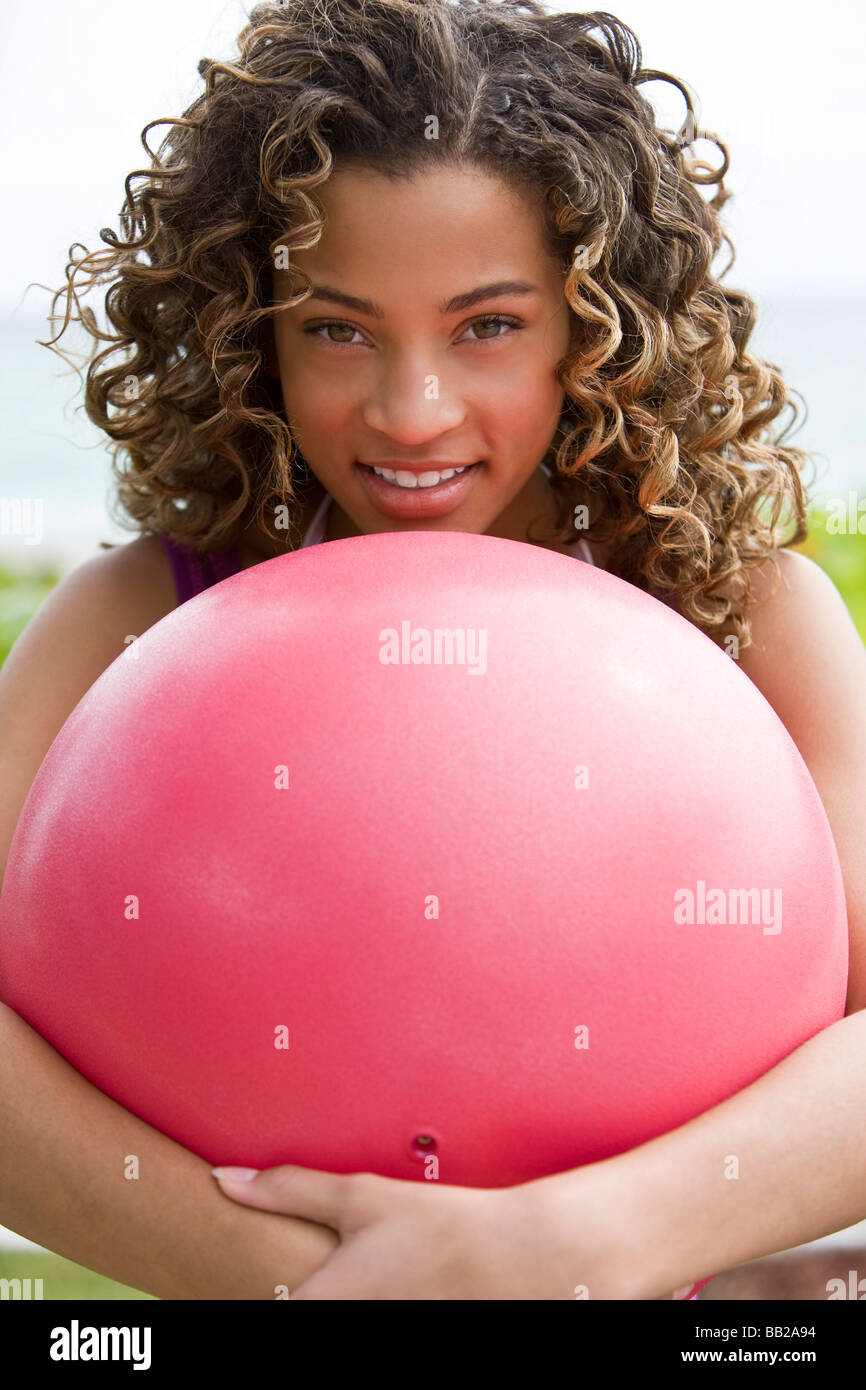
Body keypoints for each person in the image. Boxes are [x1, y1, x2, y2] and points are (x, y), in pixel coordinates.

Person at [1, 0, 865, 1301]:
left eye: (487, 326)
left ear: (596, 323)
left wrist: (564, 1251)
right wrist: (313, 1282)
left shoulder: (745, 612)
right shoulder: (133, 624)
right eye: (339, 329)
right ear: (254, 332)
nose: (411, 413)